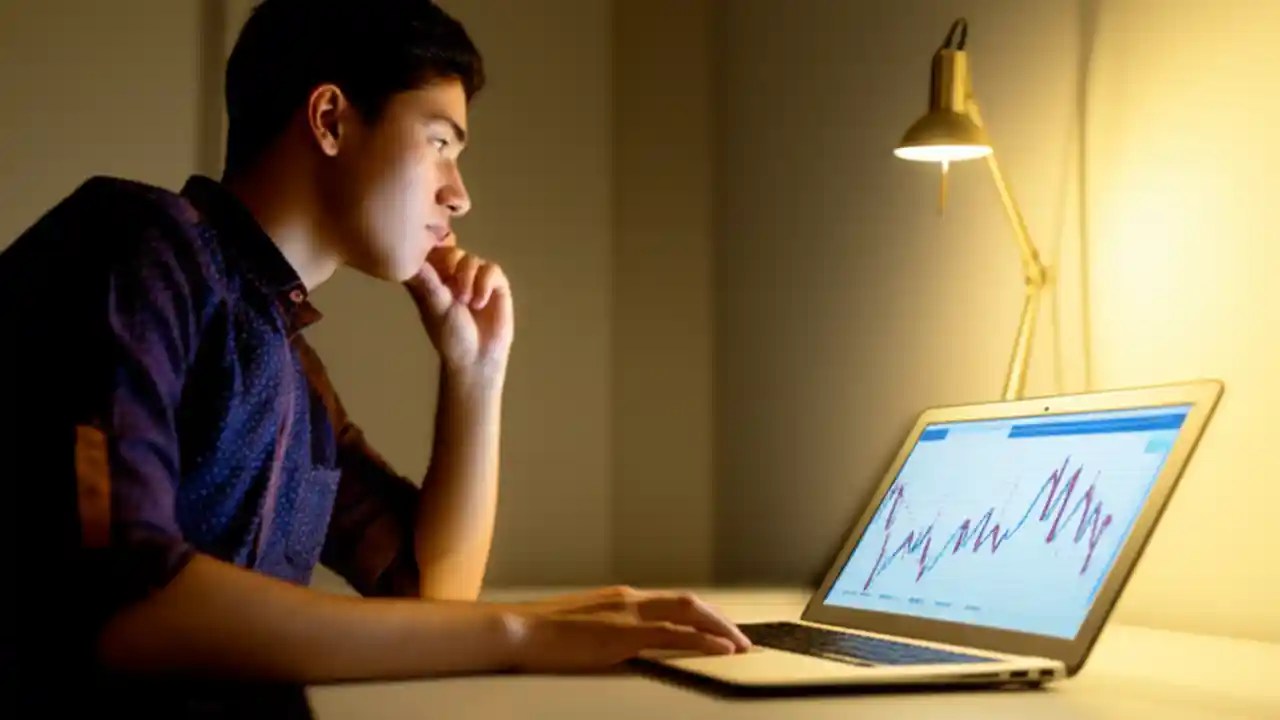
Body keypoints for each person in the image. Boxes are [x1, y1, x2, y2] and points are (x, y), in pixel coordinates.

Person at [0, 0, 748, 713]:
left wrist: (475, 372)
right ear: (330, 120)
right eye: (440, 143)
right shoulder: (142, 242)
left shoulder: (287, 362)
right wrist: (524, 632)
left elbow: (431, 598)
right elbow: (133, 603)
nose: (459, 195)